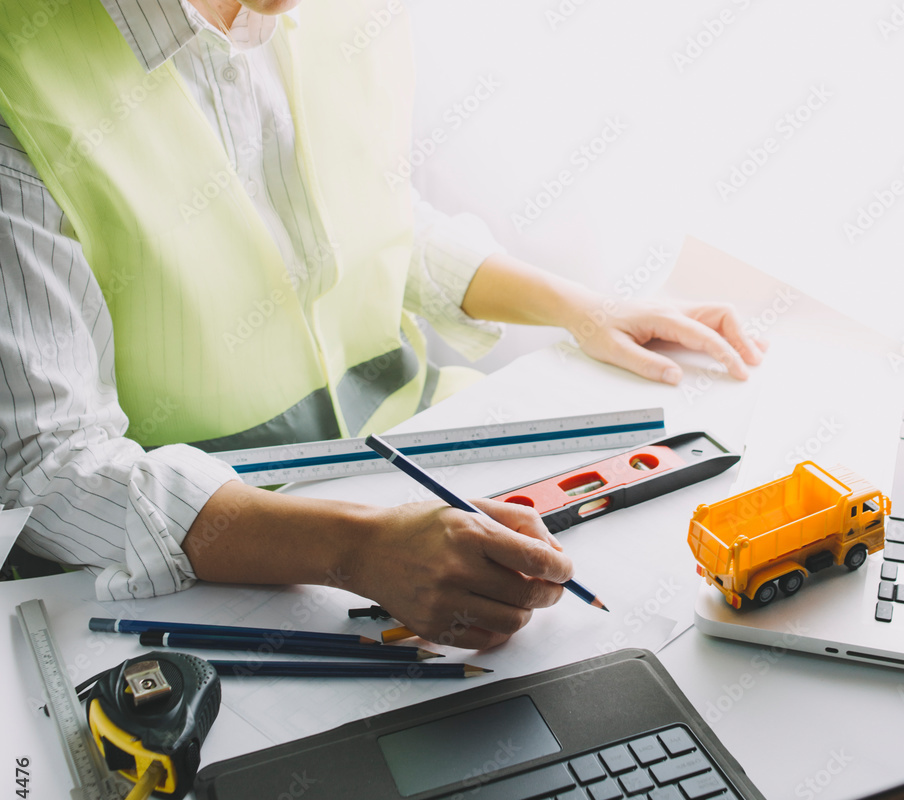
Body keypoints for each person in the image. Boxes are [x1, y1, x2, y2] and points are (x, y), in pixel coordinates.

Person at [0, 0, 766, 649]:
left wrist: (578, 306)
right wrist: (353, 551)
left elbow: (365, 213)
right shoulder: (19, 79)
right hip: (206, 559)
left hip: (409, 464)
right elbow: (50, 467)